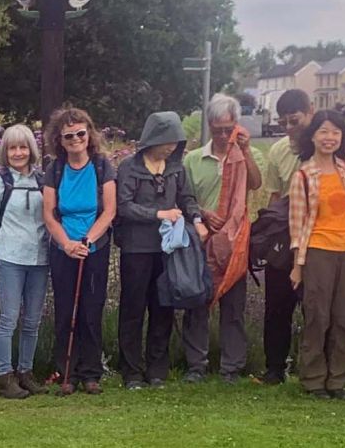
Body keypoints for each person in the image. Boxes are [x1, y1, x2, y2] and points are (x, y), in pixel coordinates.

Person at [115, 112, 205, 390]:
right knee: (133, 309)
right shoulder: (130, 167)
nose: (171, 146)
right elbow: (124, 205)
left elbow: (186, 198)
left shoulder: (177, 168)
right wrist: (159, 214)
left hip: (168, 250)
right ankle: (131, 371)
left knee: (163, 308)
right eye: (167, 140)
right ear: (153, 139)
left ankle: (157, 370)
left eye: (176, 141)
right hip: (136, 249)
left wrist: (197, 219)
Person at [181, 94, 264, 384]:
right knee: (197, 304)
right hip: (203, 239)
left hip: (235, 242)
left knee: (233, 307)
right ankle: (196, 365)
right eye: (218, 129)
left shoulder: (246, 155)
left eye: (229, 128)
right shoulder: (193, 159)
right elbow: (185, 197)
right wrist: (203, 213)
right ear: (209, 126)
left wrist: (247, 152)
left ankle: (232, 367)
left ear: (237, 125)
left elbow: (255, 183)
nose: (223, 135)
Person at [288, 110, 345, 399]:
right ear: (312, 137)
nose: (329, 137)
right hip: (318, 249)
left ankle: (338, 380)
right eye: (323, 131)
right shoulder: (304, 175)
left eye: (335, 132)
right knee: (317, 316)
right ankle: (313, 378)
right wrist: (298, 265)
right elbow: (296, 224)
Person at [42, 107, 117, 395]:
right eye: (68, 135)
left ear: (89, 134)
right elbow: (49, 215)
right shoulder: (55, 169)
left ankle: (91, 373)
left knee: (91, 311)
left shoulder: (101, 166)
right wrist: (67, 244)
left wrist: (87, 241)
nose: (75, 139)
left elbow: (109, 211)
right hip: (63, 248)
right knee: (65, 311)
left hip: (94, 247)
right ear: (60, 140)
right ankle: (67, 372)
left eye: (80, 133)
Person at [0, 124, 51, 399]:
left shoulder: (43, 182)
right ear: (5, 151)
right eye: (12, 147)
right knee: (9, 319)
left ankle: (26, 372)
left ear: (31, 150)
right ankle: (4, 376)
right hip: (10, 258)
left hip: (40, 258)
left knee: (33, 320)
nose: (18, 152)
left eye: (23, 147)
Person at [260, 89, 314, 384]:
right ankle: (274, 367)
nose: (290, 128)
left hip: (318, 239)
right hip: (283, 239)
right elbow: (273, 196)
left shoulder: (328, 147)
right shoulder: (279, 151)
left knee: (314, 308)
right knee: (277, 306)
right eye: (284, 123)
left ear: (310, 111)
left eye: (295, 120)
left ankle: (314, 368)